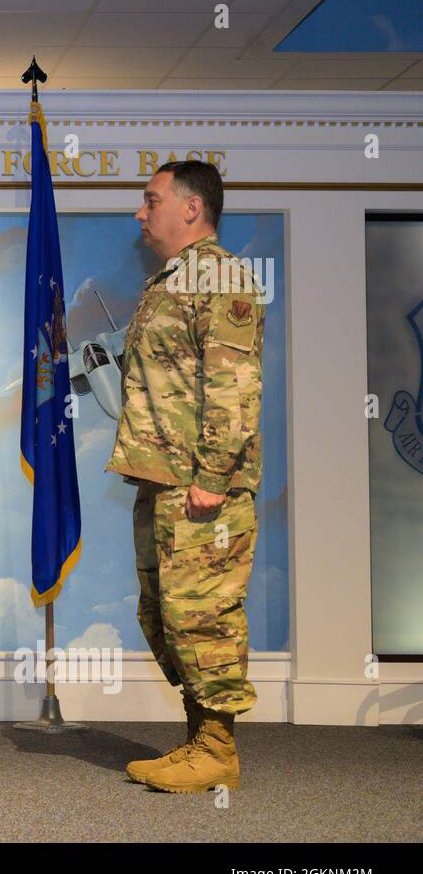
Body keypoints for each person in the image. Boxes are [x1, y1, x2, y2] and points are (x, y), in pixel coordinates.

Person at [110, 160, 265, 793]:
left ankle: (217, 747)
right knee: (167, 612)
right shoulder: (169, 282)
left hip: (202, 486)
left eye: (151, 201)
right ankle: (199, 733)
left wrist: (212, 476)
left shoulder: (220, 277)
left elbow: (234, 387)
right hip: (162, 478)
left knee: (203, 614)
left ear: (191, 209)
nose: (141, 214)